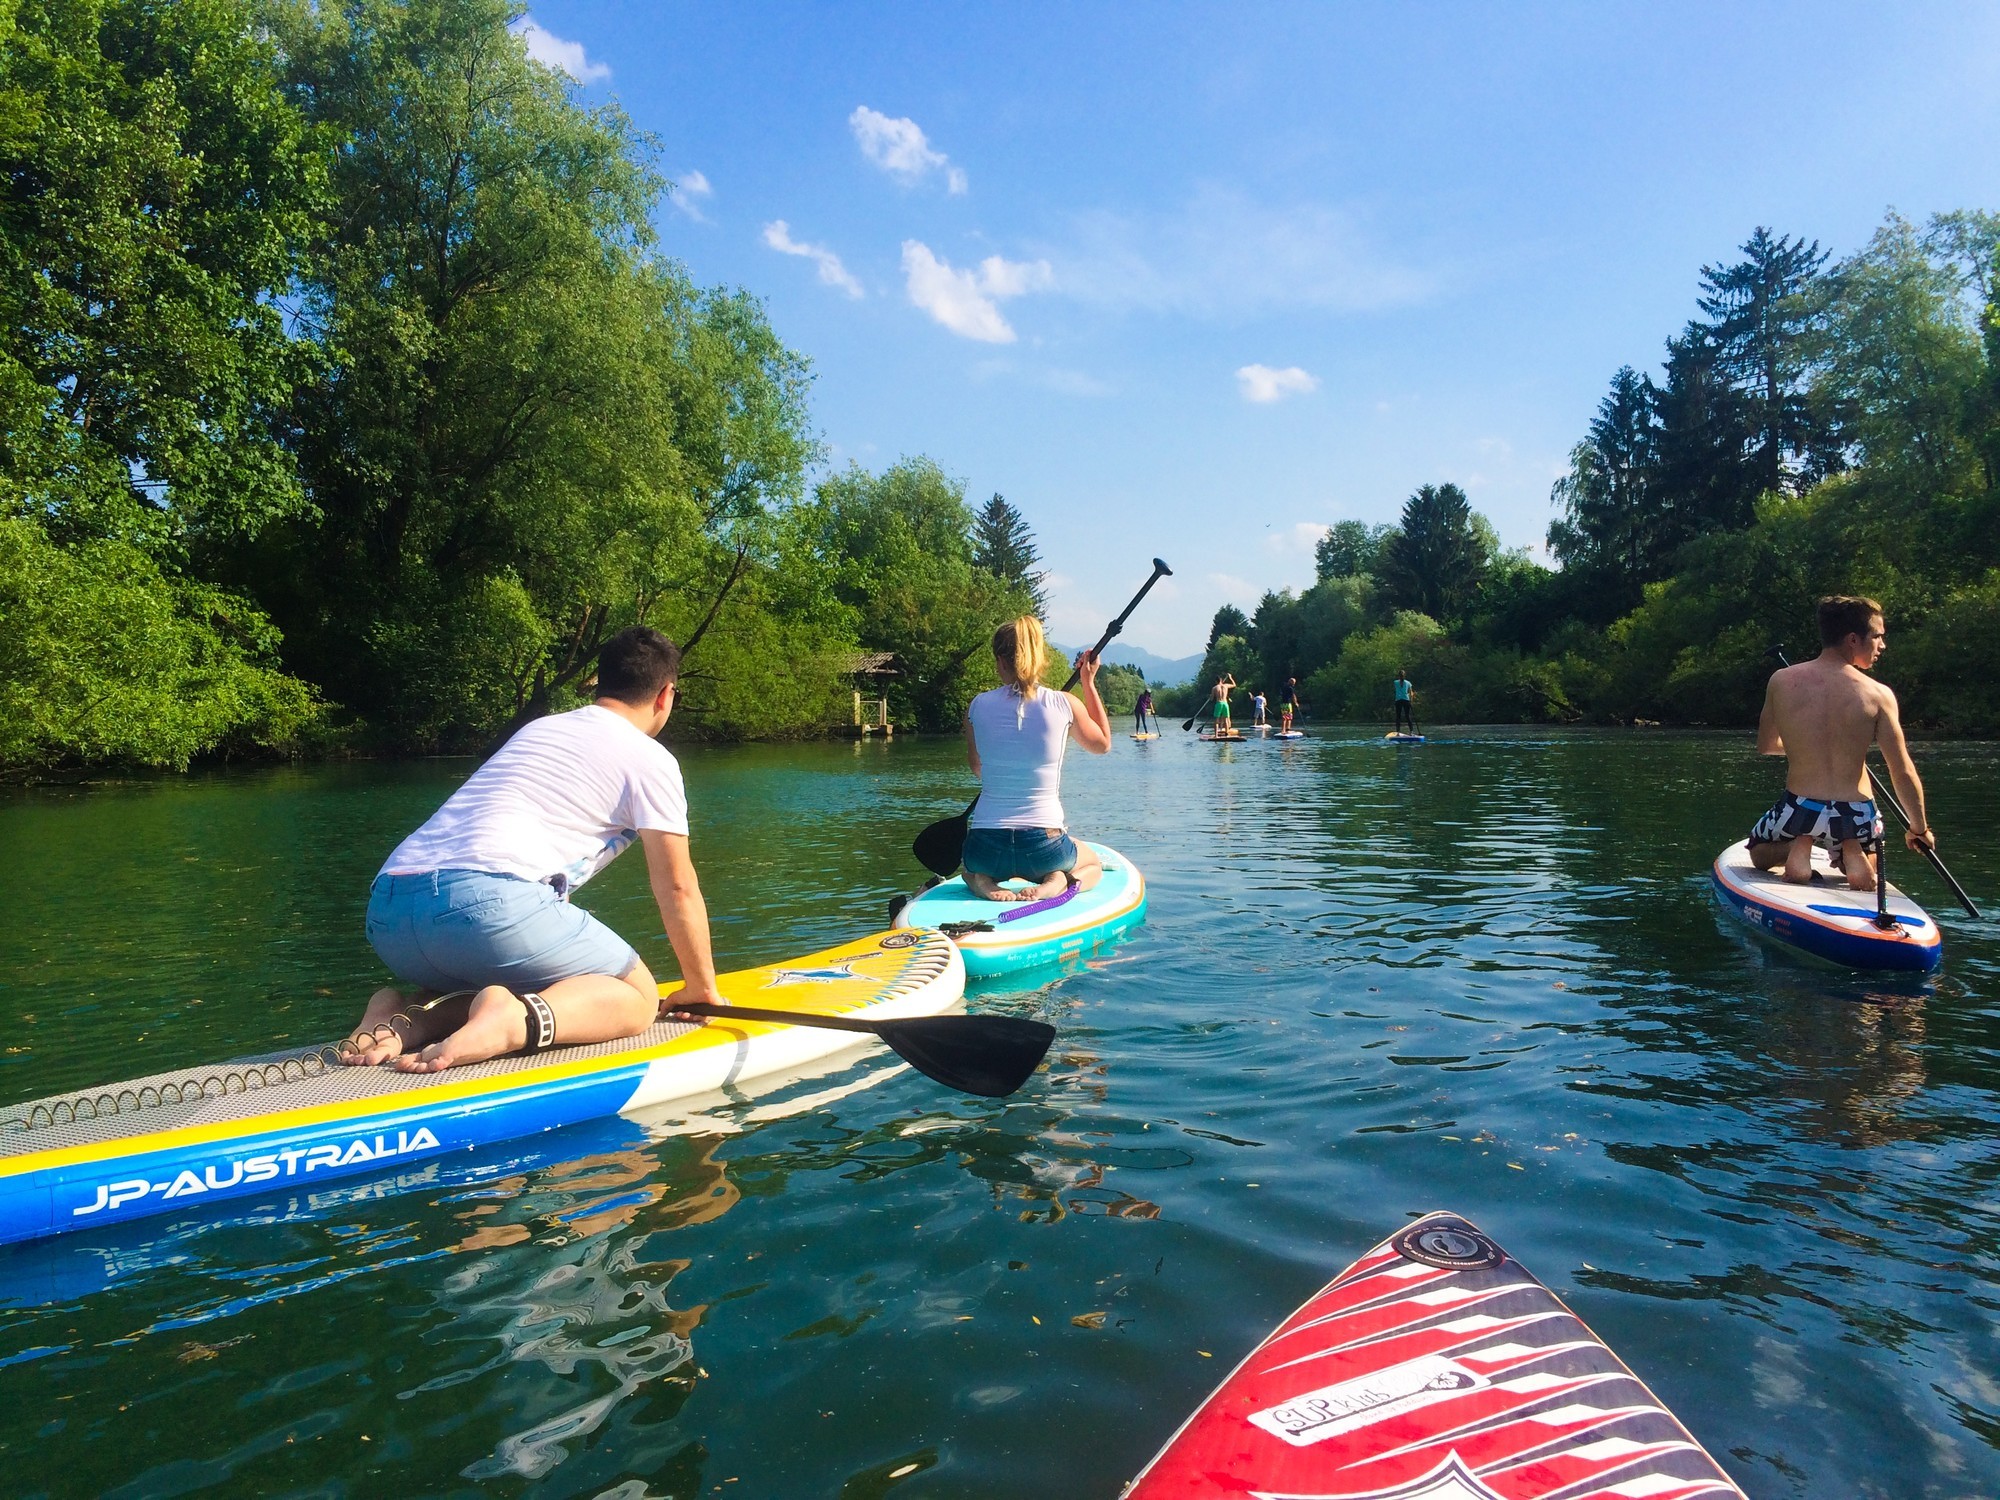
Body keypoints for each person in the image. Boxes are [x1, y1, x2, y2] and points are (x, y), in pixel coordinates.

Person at [343, 627, 722, 1072]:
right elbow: (677, 885)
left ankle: (404, 1016)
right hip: (482, 908)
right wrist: (700, 986)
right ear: (666, 695)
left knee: (501, 971)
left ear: (602, 683)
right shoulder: (649, 757)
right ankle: (513, 1021)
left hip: (388, 913)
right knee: (637, 996)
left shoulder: (541, 729)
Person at [1749, 596, 1933, 890]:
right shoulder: (1878, 694)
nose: (1882, 645)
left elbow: (1766, 745)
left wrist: (1805, 744)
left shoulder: (1781, 681)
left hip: (1800, 807)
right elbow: (1901, 770)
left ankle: (1801, 845)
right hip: (1857, 812)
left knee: (1758, 852)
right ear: (1852, 639)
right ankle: (1852, 853)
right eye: (1877, 636)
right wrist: (1919, 828)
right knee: (1868, 850)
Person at [962, 616, 1113, 902]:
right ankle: (1059, 879)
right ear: (1039, 656)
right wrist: (1087, 682)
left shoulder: (976, 706)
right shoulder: (1064, 703)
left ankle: (981, 879)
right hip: (1045, 847)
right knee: (1092, 862)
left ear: (1001, 661)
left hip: (985, 848)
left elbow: (978, 768)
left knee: (969, 868)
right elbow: (1102, 744)